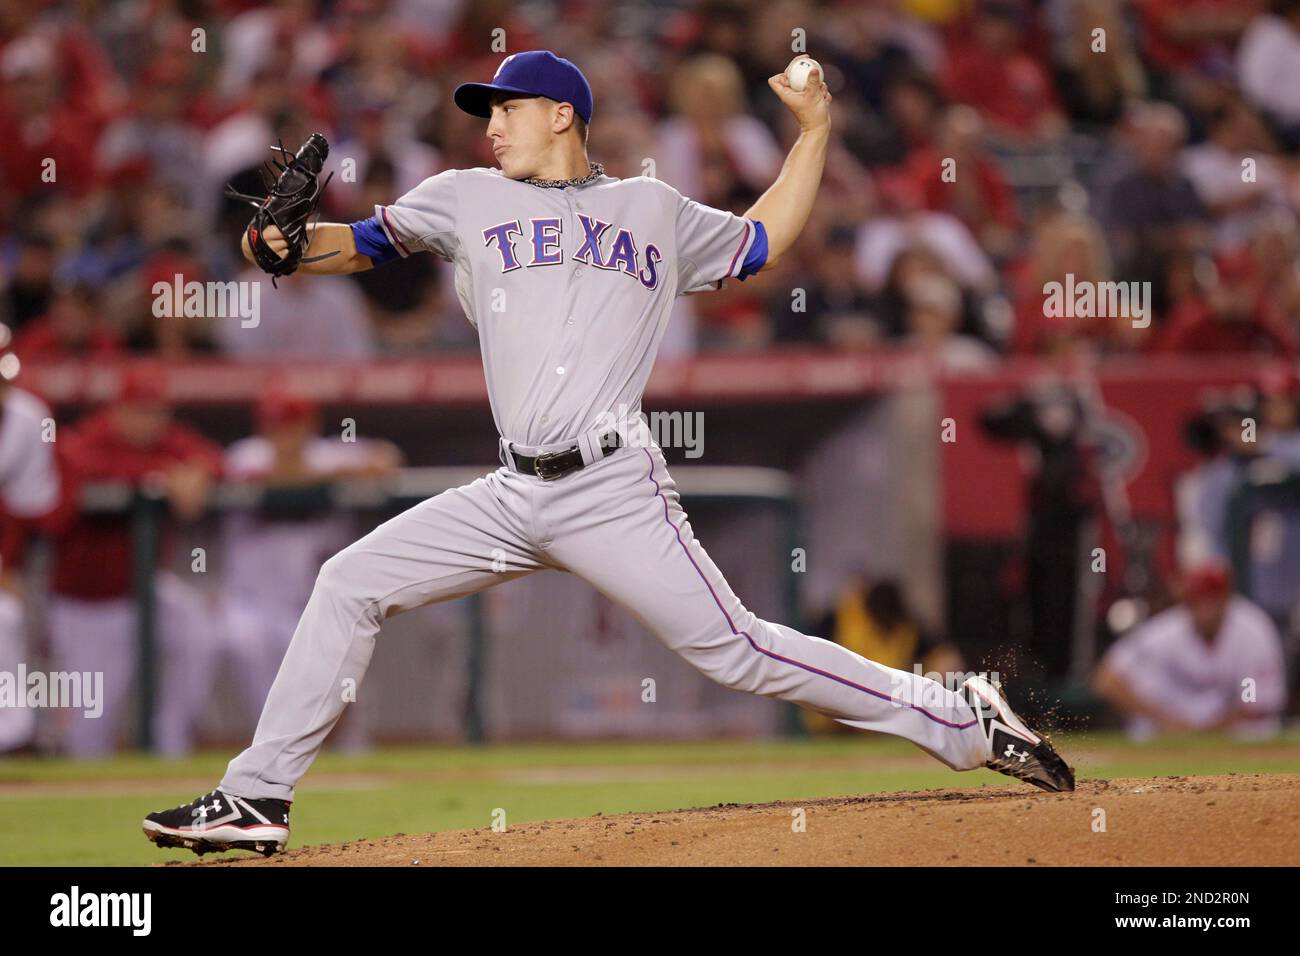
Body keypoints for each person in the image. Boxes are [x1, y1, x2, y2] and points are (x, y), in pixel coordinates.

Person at [143, 49, 1073, 858]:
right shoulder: (464, 198)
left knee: (740, 650)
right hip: (512, 491)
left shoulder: (649, 207)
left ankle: (961, 716)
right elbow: (355, 247)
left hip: (612, 489)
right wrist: (278, 245)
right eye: (487, 111)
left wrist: (814, 133)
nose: (491, 125)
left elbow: (762, 241)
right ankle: (257, 799)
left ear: (561, 115)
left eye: (504, 108)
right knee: (350, 580)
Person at [1092, 564, 1287, 740]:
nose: (1205, 607)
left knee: (1256, 730)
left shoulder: (1252, 629)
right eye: (1199, 599)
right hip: (1170, 732)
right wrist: (1162, 718)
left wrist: (1211, 729)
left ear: (1226, 598)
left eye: (1212, 597)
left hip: (1233, 736)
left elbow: (1260, 701)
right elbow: (1107, 679)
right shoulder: (1167, 630)